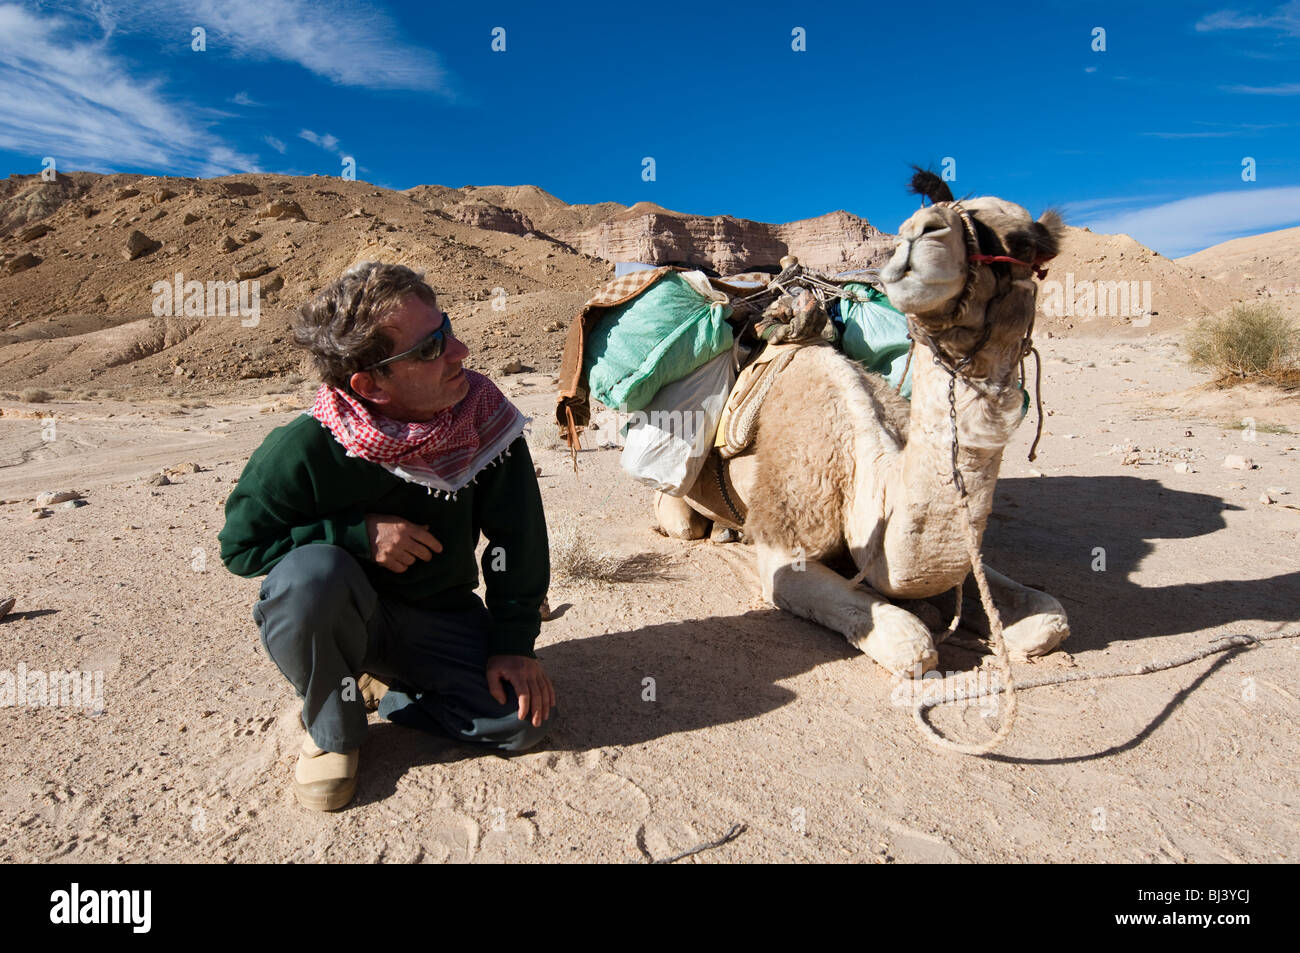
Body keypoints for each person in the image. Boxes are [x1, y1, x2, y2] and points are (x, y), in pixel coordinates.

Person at [219, 261, 555, 811]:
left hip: (441, 617)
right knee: (311, 576)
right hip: (346, 614)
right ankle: (332, 728)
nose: (459, 351)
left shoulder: (484, 420)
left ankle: (396, 691)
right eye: (429, 349)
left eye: (445, 329)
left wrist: (514, 645)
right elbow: (242, 548)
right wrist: (355, 535)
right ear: (370, 384)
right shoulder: (303, 450)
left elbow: (515, 540)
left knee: (520, 727)